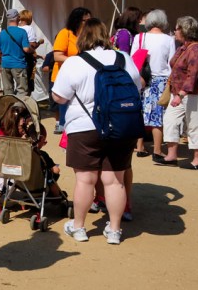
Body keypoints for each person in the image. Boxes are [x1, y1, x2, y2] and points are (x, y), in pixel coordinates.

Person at [52, 18, 141, 245]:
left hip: (84, 127)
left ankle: (79, 227)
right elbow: (137, 86)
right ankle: (114, 230)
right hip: (120, 126)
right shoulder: (123, 58)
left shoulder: (74, 63)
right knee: (115, 180)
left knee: (85, 179)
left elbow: (59, 96)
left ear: (83, 37)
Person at [131, 9, 176, 162]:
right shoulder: (169, 39)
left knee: (140, 112)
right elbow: (172, 63)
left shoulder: (139, 37)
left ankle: (140, 146)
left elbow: (133, 60)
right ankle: (157, 149)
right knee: (157, 116)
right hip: (161, 80)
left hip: (141, 79)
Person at [161, 16, 198, 169]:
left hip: (193, 94)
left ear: (185, 30)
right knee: (170, 121)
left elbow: (194, 73)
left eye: (177, 28)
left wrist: (182, 94)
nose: (175, 31)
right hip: (178, 93)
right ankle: (171, 155)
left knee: (195, 125)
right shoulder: (184, 47)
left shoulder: (196, 49)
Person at [51, 7, 91, 134]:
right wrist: (76, 62)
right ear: (77, 20)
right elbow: (57, 56)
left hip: (82, 78)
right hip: (64, 78)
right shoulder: (65, 33)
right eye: (86, 20)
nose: (89, 23)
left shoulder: (88, 36)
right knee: (65, 111)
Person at [0, 9, 33, 97]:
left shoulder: (2, 33)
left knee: (8, 91)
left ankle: (10, 109)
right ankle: (18, 109)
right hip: (19, 64)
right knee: (22, 91)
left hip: (5, 64)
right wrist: (33, 49)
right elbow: (26, 49)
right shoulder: (22, 32)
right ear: (18, 18)